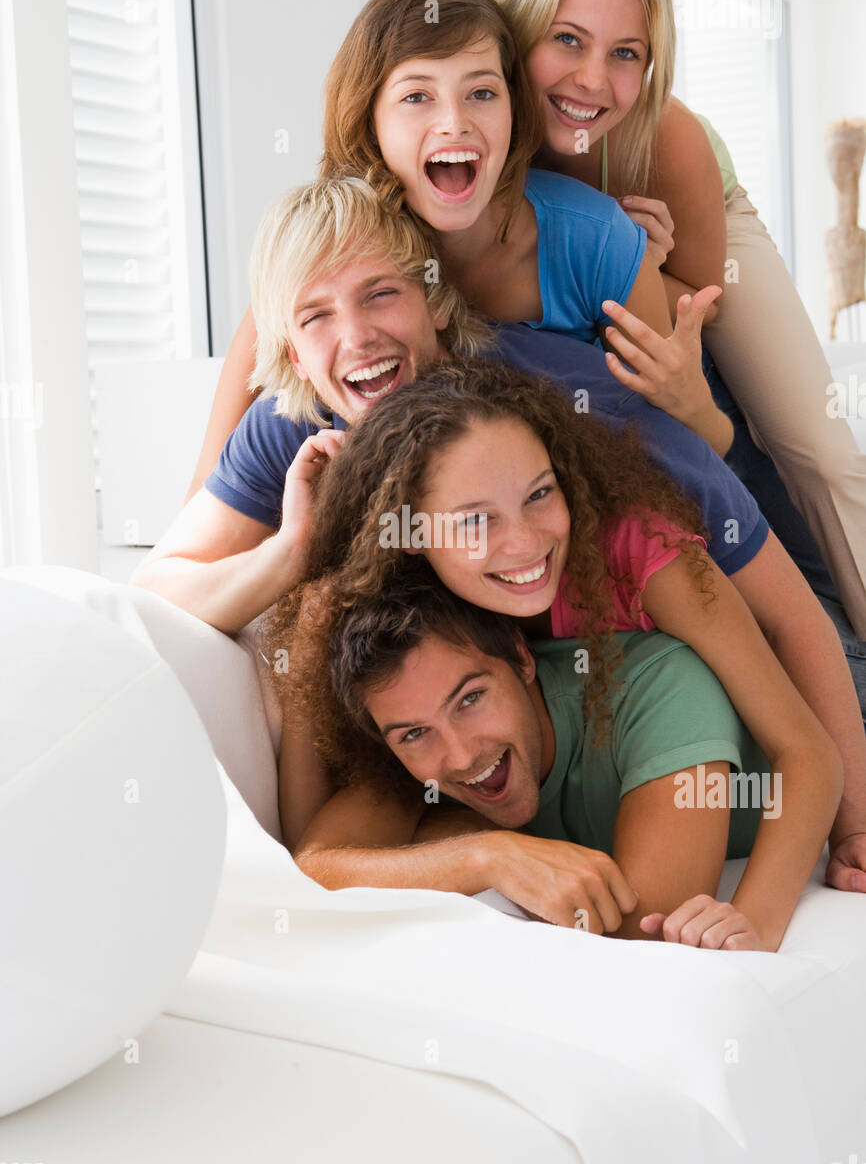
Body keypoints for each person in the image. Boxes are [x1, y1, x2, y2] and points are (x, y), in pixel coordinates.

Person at [129, 175, 866, 887]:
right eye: (315, 316)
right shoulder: (298, 430)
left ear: (436, 303)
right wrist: (288, 553)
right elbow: (156, 593)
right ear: (292, 351)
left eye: (381, 293)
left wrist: (854, 827)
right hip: (557, 723)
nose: (355, 337)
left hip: (773, 649)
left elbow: (792, 619)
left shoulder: (578, 408)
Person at [269, 355, 842, 900]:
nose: (522, 543)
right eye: (474, 521)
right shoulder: (422, 651)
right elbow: (313, 856)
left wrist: (763, 917)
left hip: (828, 691)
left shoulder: (644, 559)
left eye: (540, 494)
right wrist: (484, 855)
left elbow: (806, 747)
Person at [186, 0, 735, 495]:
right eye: (416, 96)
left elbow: (695, 461)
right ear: (368, 122)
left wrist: (694, 403)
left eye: (481, 93)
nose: (453, 121)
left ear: (514, 111)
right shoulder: (328, 255)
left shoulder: (599, 242)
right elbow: (209, 493)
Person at [493, 0, 866, 640]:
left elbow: (700, 305)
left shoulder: (667, 137)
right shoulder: (479, 109)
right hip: (623, 263)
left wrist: (638, 260)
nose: (592, 81)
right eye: (568, 40)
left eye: (625, 53)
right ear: (522, 25)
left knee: (815, 447)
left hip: (699, 238)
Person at [286, 566, 838, 954]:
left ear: (521, 659)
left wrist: (434, 843)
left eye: (471, 699)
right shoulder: (424, 748)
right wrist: (487, 854)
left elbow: (639, 933)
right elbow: (316, 865)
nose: (459, 754)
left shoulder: (660, 688)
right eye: (412, 735)